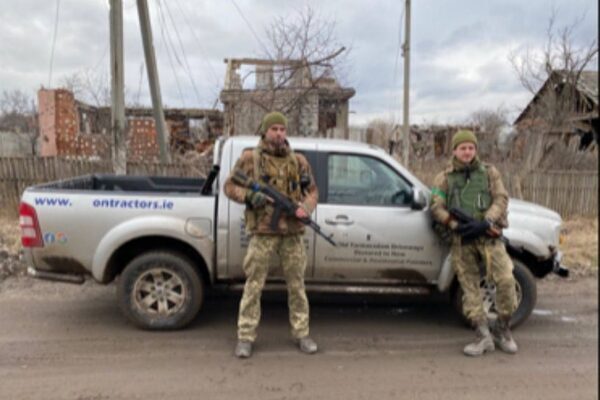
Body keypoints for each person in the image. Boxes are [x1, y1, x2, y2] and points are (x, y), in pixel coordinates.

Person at [223, 111, 319, 358]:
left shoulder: (299, 161)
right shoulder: (250, 158)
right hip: (263, 232)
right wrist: (249, 196)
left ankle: (302, 333)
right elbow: (229, 186)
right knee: (253, 285)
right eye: (274, 128)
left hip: (292, 232)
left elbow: (313, 192)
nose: (279, 133)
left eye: (282, 129)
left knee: (297, 285)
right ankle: (245, 337)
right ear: (265, 131)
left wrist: (304, 208)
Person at [430, 129, 518, 357]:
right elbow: (436, 207)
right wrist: (454, 225)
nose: (467, 152)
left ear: (475, 150)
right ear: (455, 151)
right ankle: (482, 335)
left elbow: (501, 198)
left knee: (507, 280)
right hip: (462, 239)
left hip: (488, 236)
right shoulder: (444, 177)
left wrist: (486, 221)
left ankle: (502, 329)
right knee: (470, 289)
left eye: (471, 148)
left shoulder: (489, 173)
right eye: (462, 148)